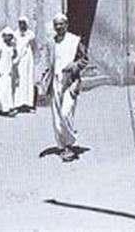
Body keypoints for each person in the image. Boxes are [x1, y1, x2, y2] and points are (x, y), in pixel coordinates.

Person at [41, 13, 88, 162]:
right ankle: (62, 146)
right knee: (56, 116)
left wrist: (74, 66)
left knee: (66, 112)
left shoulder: (75, 40)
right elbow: (49, 63)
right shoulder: (51, 42)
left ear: (66, 25)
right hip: (56, 82)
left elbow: (84, 59)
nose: (59, 27)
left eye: (62, 24)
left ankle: (69, 144)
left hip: (70, 81)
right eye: (56, 24)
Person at [0, 28, 17, 117]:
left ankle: (8, 107)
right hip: (1, 73)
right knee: (1, 91)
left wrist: (15, 49)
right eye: (6, 36)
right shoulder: (0, 47)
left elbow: (14, 58)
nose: (8, 38)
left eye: (10, 36)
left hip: (8, 73)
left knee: (8, 91)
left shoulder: (11, 48)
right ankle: (4, 109)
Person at [13, 17, 36, 113]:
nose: (22, 25)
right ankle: (18, 104)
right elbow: (14, 47)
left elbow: (34, 46)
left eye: (24, 23)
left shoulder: (30, 34)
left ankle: (28, 104)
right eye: (20, 23)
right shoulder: (15, 35)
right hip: (19, 60)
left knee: (28, 81)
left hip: (28, 60)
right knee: (19, 81)